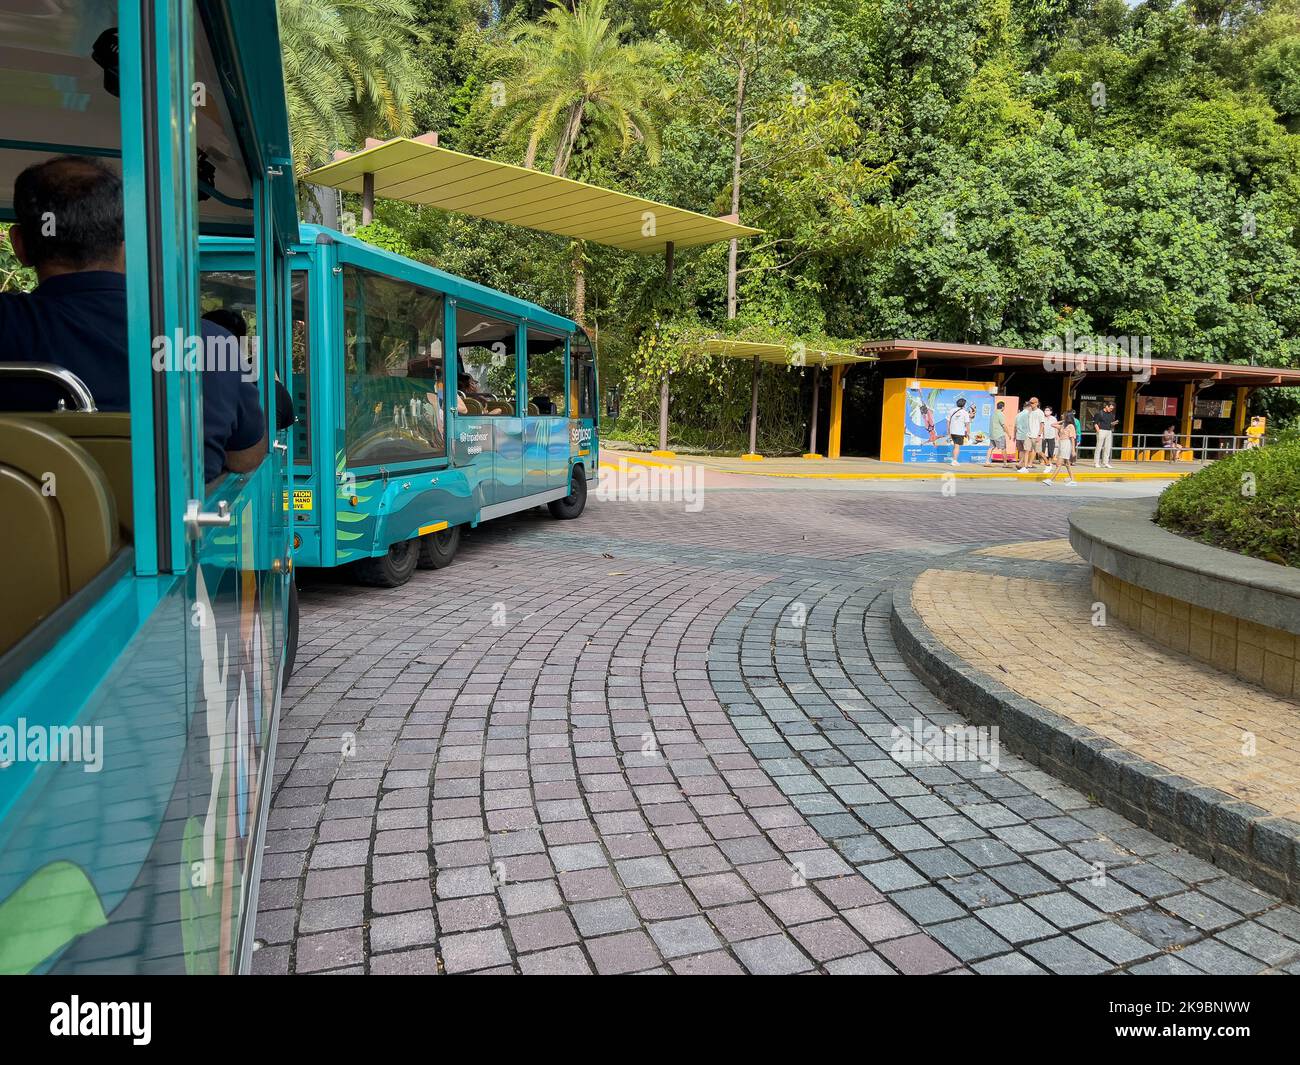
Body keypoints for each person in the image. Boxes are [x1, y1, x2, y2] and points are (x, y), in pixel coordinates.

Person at [1, 155, 265, 485]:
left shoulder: (9, 327)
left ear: (20, 246)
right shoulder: (213, 343)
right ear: (127, 245)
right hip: (181, 536)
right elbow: (246, 457)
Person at [1044, 409, 1078, 486]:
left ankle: (1050, 480)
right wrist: (1062, 421)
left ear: (1067, 417)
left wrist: (1073, 450)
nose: (1062, 415)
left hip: (1066, 444)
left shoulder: (1071, 426)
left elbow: (1072, 438)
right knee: (1067, 464)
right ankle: (1073, 480)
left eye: (1064, 415)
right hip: (1061, 444)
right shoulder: (1063, 425)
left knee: (1059, 464)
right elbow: (1052, 424)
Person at [1016, 397, 1045, 473]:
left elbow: (1042, 425)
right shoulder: (1029, 412)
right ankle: (1025, 467)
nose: (1030, 405)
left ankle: (1048, 463)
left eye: (1032, 403)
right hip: (1028, 435)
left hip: (1036, 435)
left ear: (1037, 403)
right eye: (1030, 403)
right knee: (1026, 451)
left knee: (1038, 451)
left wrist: (1039, 435)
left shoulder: (1040, 412)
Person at [947, 397, 971, 466]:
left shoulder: (951, 410)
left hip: (952, 431)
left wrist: (948, 431)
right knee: (957, 446)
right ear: (964, 405)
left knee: (955, 446)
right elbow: (967, 423)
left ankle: (954, 460)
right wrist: (968, 433)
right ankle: (954, 461)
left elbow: (948, 421)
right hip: (959, 432)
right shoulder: (965, 412)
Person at [988, 399, 1012, 467]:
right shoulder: (1000, 414)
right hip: (999, 434)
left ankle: (987, 461)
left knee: (991, 448)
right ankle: (1005, 463)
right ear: (1002, 407)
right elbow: (1003, 425)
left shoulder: (993, 413)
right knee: (1003, 448)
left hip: (992, 434)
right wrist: (1008, 434)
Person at [1094, 400, 1117, 468]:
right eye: (1110, 408)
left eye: (1112, 409)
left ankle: (1105, 463)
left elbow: (1109, 423)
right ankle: (1096, 463)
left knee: (1107, 447)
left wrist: (1113, 423)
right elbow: (1095, 423)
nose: (1111, 409)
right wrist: (1098, 431)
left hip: (1109, 431)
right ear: (1106, 406)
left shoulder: (1111, 414)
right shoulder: (1099, 413)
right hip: (1101, 431)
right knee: (1099, 447)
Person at [1041, 405, 1059, 473]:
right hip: (1043, 436)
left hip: (1051, 435)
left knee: (1051, 449)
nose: (1046, 411)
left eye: (1048, 410)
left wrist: (1056, 434)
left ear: (1051, 412)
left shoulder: (1054, 418)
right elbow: (1041, 426)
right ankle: (1043, 460)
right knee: (1042, 448)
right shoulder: (1042, 418)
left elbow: (1056, 427)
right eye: (1045, 410)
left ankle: (1050, 460)